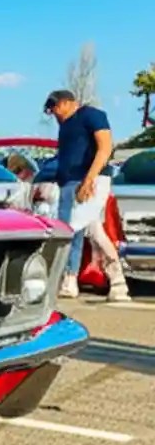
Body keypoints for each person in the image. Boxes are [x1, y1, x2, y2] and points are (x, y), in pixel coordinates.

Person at [44, 89, 130, 301]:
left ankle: (117, 279)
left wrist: (89, 179)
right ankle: (70, 279)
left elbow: (105, 147)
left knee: (87, 227)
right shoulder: (65, 126)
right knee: (71, 230)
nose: (54, 114)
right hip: (68, 182)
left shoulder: (91, 115)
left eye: (54, 108)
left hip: (91, 180)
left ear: (66, 102)